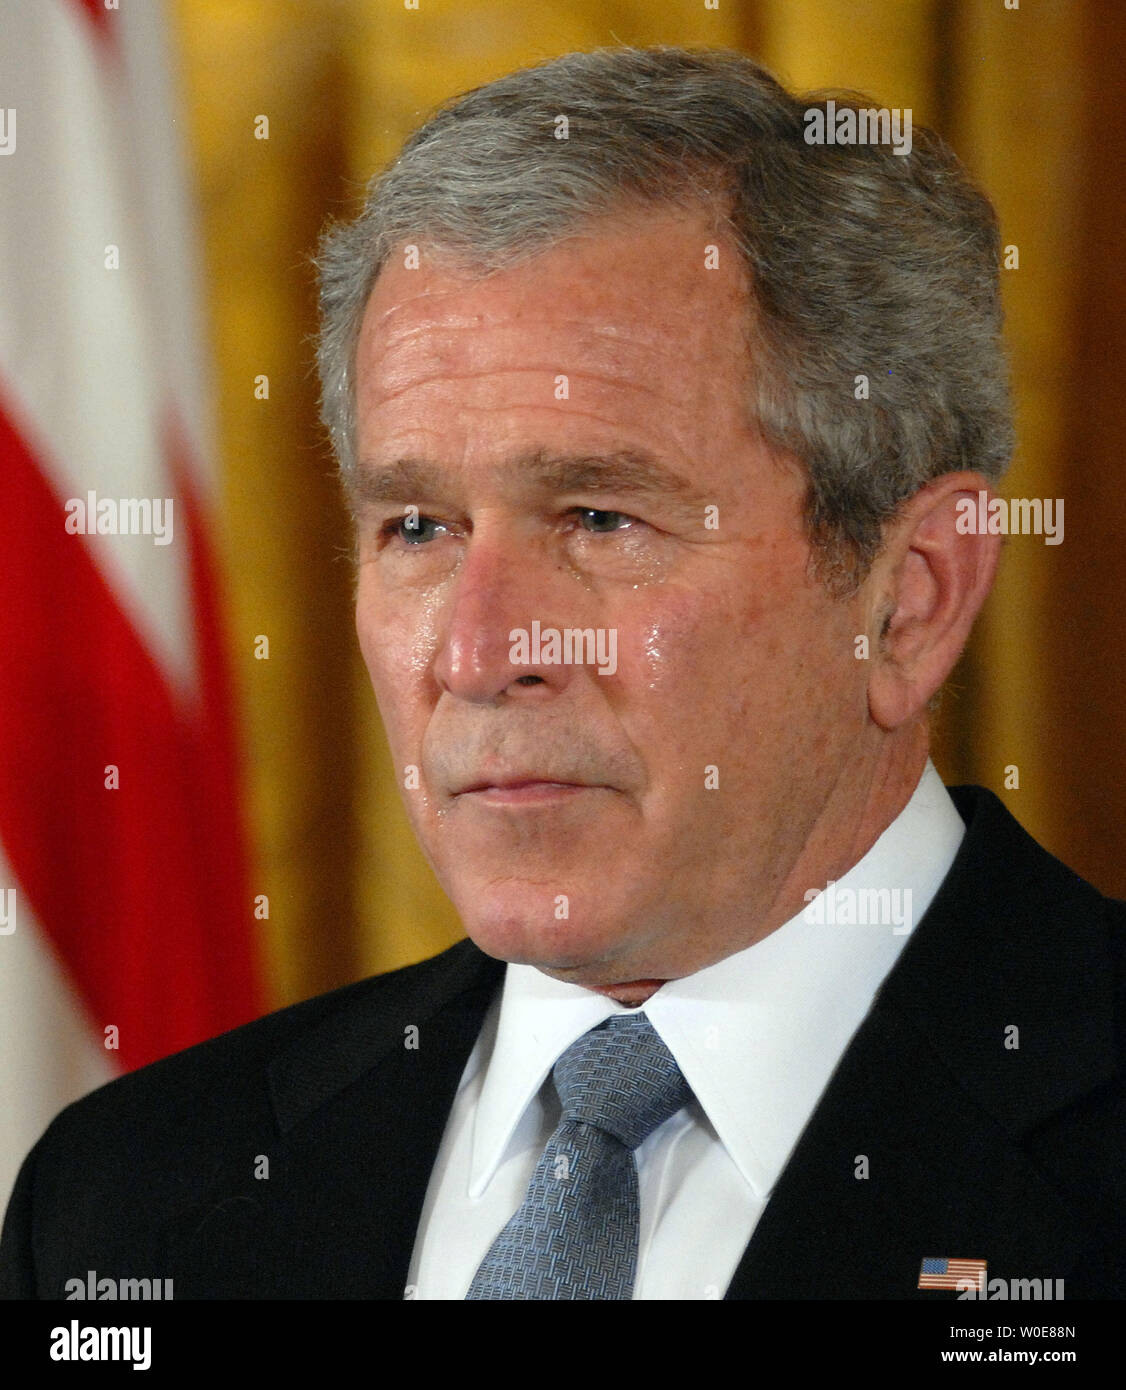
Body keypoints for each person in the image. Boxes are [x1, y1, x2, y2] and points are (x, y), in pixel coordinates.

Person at [2, 45, 1122, 1302]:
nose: (477, 657)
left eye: (598, 519)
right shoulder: (126, 1201)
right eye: (417, 529)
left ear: (910, 596)